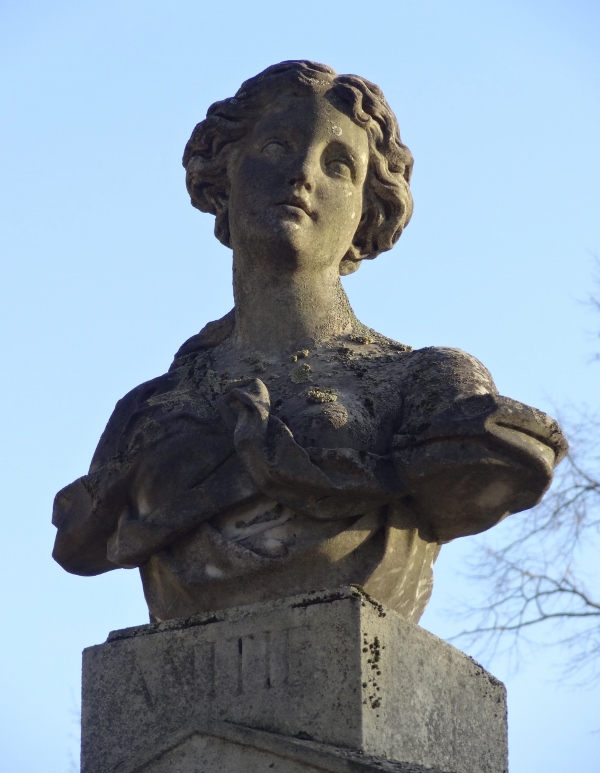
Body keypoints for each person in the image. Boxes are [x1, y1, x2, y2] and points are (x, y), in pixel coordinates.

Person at [52, 61, 567, 623]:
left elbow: (505, 459)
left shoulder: (423, 383)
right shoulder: (151, 410)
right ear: (224, 174)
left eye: (338, 164)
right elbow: (80, 540)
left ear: (368, 210)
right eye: (277, 146)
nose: (301, 172)